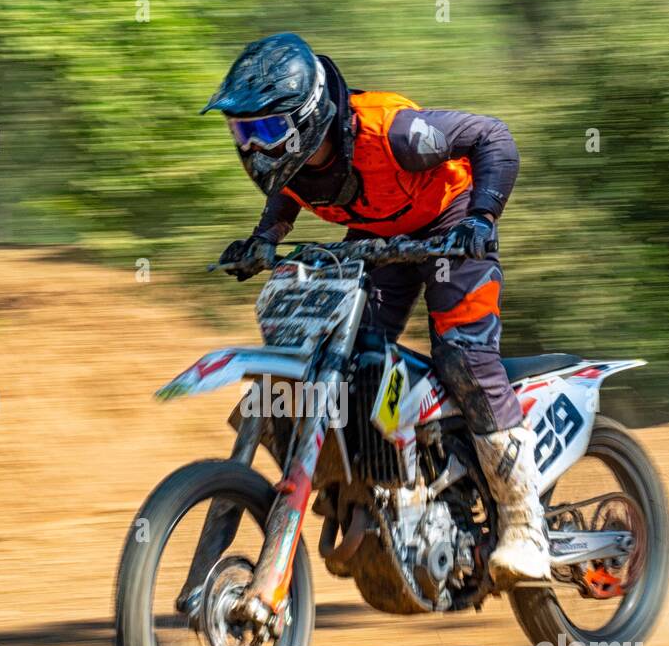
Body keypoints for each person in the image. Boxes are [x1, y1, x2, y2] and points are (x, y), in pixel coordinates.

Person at [201, 32, 548, 585]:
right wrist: (264, 239)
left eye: (265, 130)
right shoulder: (294, 163)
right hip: (380, 237)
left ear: (309, 118)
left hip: (449, 223)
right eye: (242, 131)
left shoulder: (396, 134)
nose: (252, 147)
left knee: (462, 357)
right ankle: (396, 477)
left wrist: (481, 218)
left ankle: (524, 523)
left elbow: (493, 138)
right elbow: (288, 193)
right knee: (351, 358)